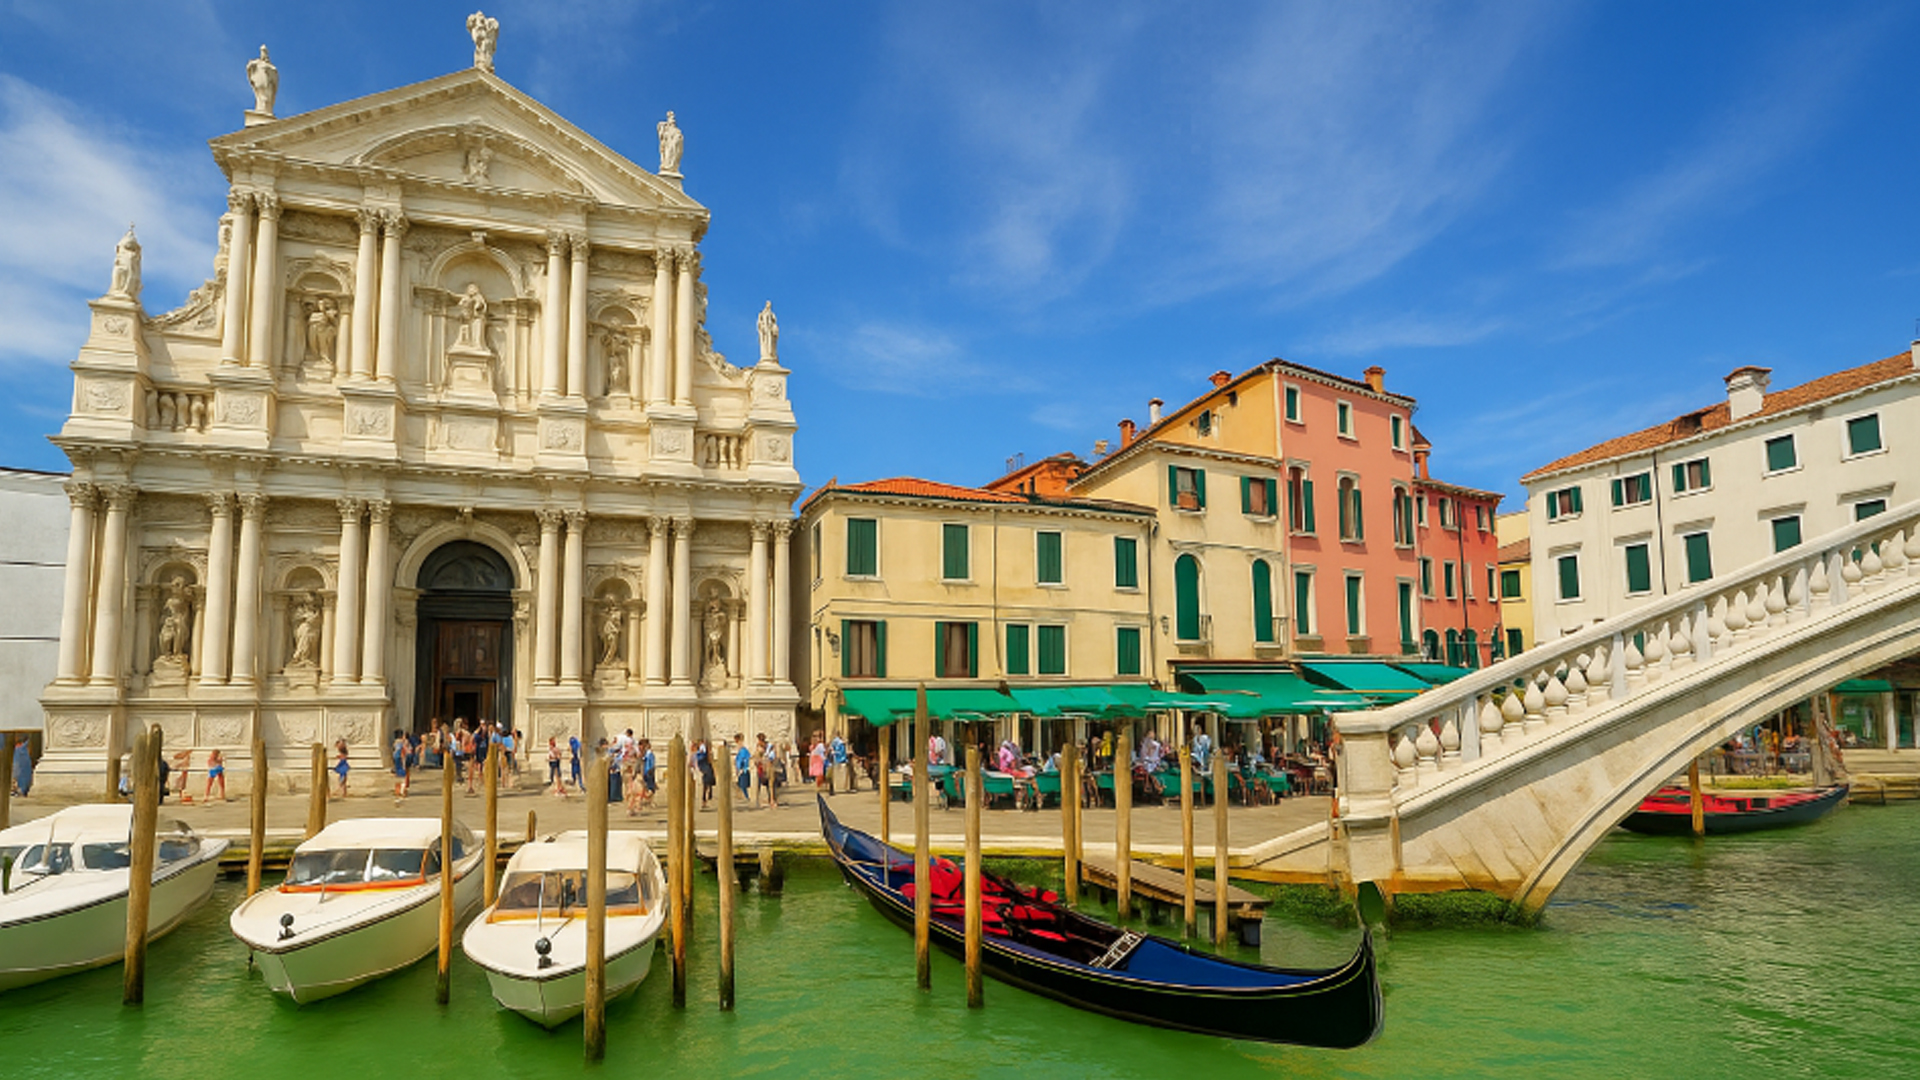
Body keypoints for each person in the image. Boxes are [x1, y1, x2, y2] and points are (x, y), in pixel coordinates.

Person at [390, 730, 410, 804]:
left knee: (398, 775)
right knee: (402, 776)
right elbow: (404, 752)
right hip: (401, 759)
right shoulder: (402, 743)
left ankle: (398, 790)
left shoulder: (395, 743)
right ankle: (402, 791)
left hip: (396, 758)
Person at [696, 740, 716, 808]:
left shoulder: (705, 754)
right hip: (706, 770)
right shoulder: (702, 754)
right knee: (706, 786)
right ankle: (704, 801)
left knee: (707, 786)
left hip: (707, 769)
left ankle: (705, 800)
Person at [734, 735, 752, 803]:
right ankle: (743, 796)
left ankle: (747, 797)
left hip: (743, 769)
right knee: (741, 784)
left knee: (743, 785)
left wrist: (739, 768)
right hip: (742, 768)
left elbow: (741, 760)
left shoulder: (742, 750)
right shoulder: (742, 749)